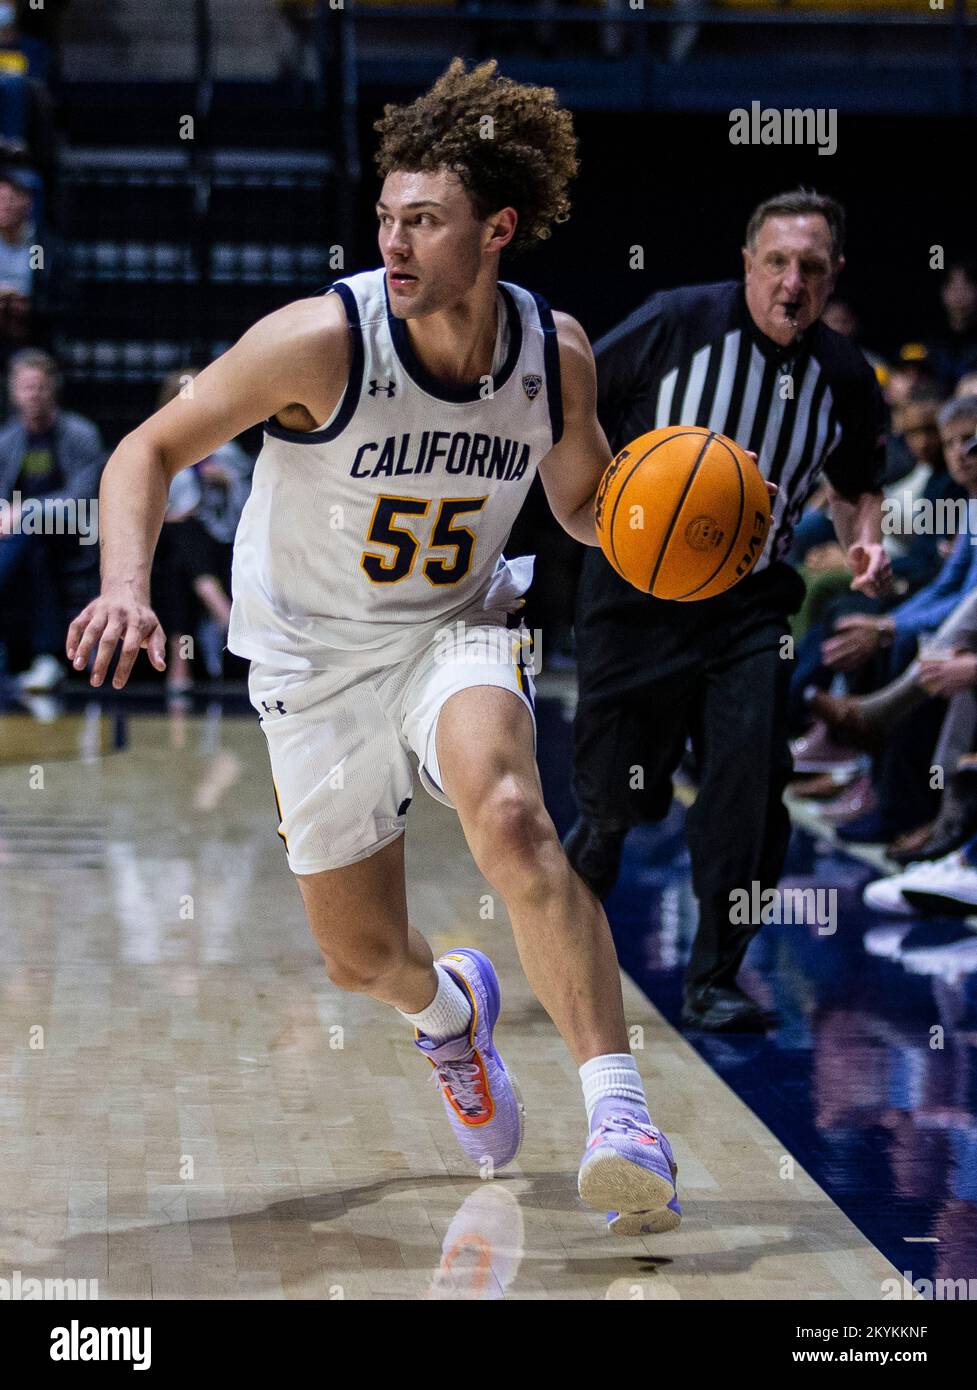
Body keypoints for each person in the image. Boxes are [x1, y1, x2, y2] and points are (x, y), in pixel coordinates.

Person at [66, 59, 682, 1235]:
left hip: (455, 627)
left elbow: (583, 503)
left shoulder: (552, 356)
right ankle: (450, 1015)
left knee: (508, 811)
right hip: (311, 655)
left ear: (495, 228)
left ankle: (619, 1114)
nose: (394, 244)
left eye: (425, 221)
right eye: (386, 219)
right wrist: (125, 589)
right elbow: (144, 451)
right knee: (358, 959)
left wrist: (681, 524)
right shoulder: (319, 340)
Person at [566, 188, 890, 1033]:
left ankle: (714, 975)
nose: (792, 282)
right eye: (776, 263)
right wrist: (646, 486)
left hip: (748, 607)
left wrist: (866, 538)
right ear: (746, 264)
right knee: (615, 795)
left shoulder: (846, 375)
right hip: (632, 590)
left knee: (749, 782)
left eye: (811, 269)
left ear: (833, 277)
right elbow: (570, 403)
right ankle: (599, 834)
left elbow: (859, 485)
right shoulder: (674, 322)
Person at [0, 347, 103, 689]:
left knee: (34, 533)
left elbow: (81, 497)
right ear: (13, 392)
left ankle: (45, 655)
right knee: (30, 544)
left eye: (40, 387)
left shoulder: (81, 434)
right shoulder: (8, 440)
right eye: (27, 387)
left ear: (52, 389)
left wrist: (25, 510)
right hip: (20, 536)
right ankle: (42, 657)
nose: (34, 395)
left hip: (74, 529)